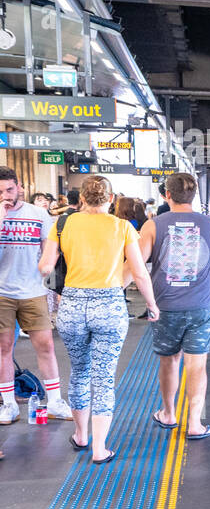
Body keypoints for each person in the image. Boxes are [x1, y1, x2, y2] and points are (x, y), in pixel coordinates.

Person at [37, 175, 160, 464]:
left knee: (79, 372)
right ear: (111, 199)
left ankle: (81, 436)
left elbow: (45, 267)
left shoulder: (63, 224)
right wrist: (152, 304)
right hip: (109, 305)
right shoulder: (122, 227)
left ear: (81, 198)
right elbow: (139, 272)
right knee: (103, 378)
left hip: (72, 305)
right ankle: (100, 448)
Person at [138, 173, 210, 440]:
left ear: (167, 195)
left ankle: (168, 414)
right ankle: (194, 424)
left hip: (165, 306)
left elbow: (138, 266)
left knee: (169, 362)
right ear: (194, 195)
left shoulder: (153, 225)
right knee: (197, 365)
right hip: (200, 307)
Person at [0, 168, 74, 424]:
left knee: (46, 345)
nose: (5, 196)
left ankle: (54, 401)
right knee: (4, 348)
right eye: (0, 191)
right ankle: (9, 404)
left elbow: (48, 251)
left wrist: (49, 278)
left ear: (19, 187)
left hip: (33, 291)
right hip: (2, 292)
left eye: (9, 189)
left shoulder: (38, 214)